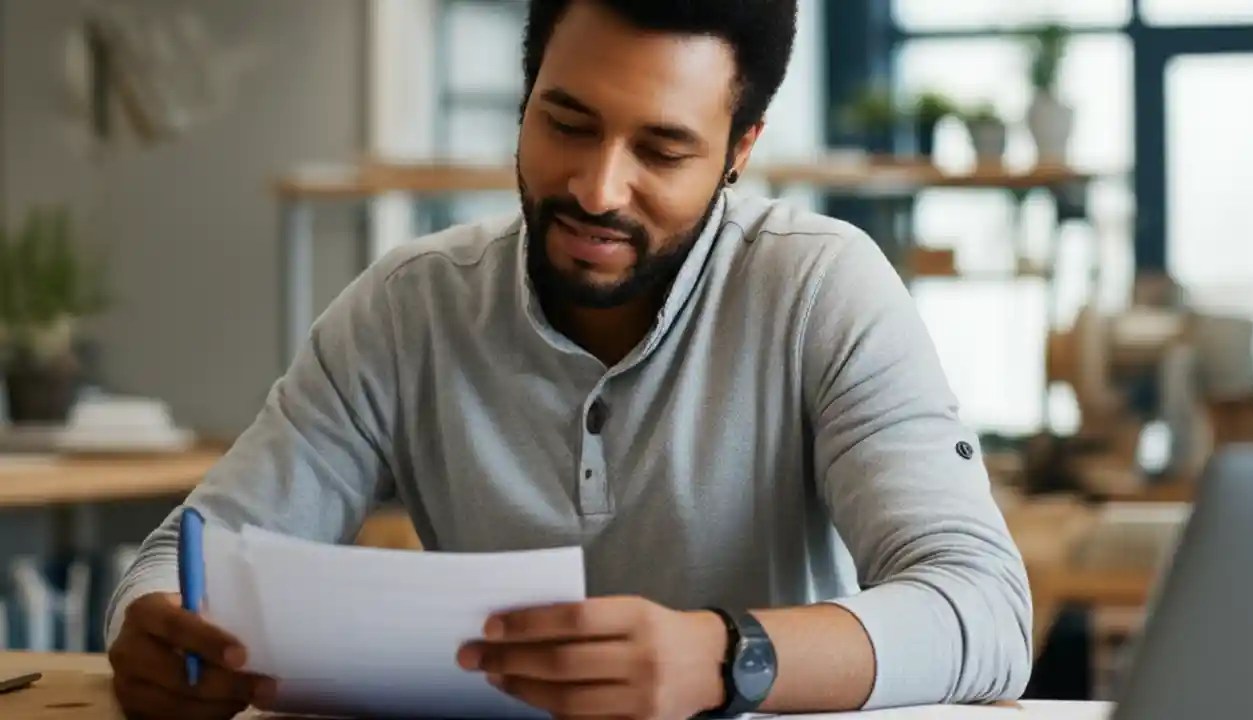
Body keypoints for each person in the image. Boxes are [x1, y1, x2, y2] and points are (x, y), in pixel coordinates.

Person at [106, 1, 1032, 718]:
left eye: (662, 150)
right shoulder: (408, 306)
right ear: (525, 97)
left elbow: (985, 608)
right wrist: (149, 631)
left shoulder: (822, 288)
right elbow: (185, 557)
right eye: (568, 123)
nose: (597, 188)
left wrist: (724, 659)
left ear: (739, 152)